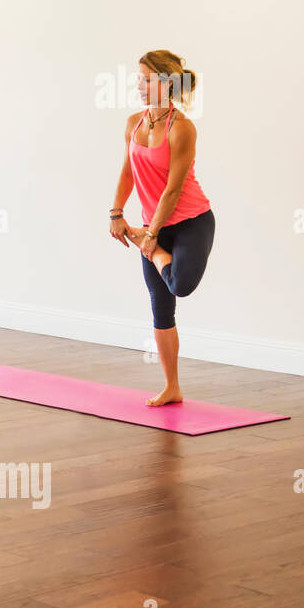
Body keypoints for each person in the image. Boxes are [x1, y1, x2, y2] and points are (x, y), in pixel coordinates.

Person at [109, 50, 214, 406]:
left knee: (180, 285)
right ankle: (172, 386)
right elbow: (128, 172)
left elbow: (173, 188)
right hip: (152, 226)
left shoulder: (182, 128)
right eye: (138, 78)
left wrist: (149, 237)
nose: (139, 85)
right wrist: (116, 212)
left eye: (147, 79)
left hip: (189, 222)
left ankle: (149, 248)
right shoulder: (133, 123)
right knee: (161, 308)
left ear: (167, 83)